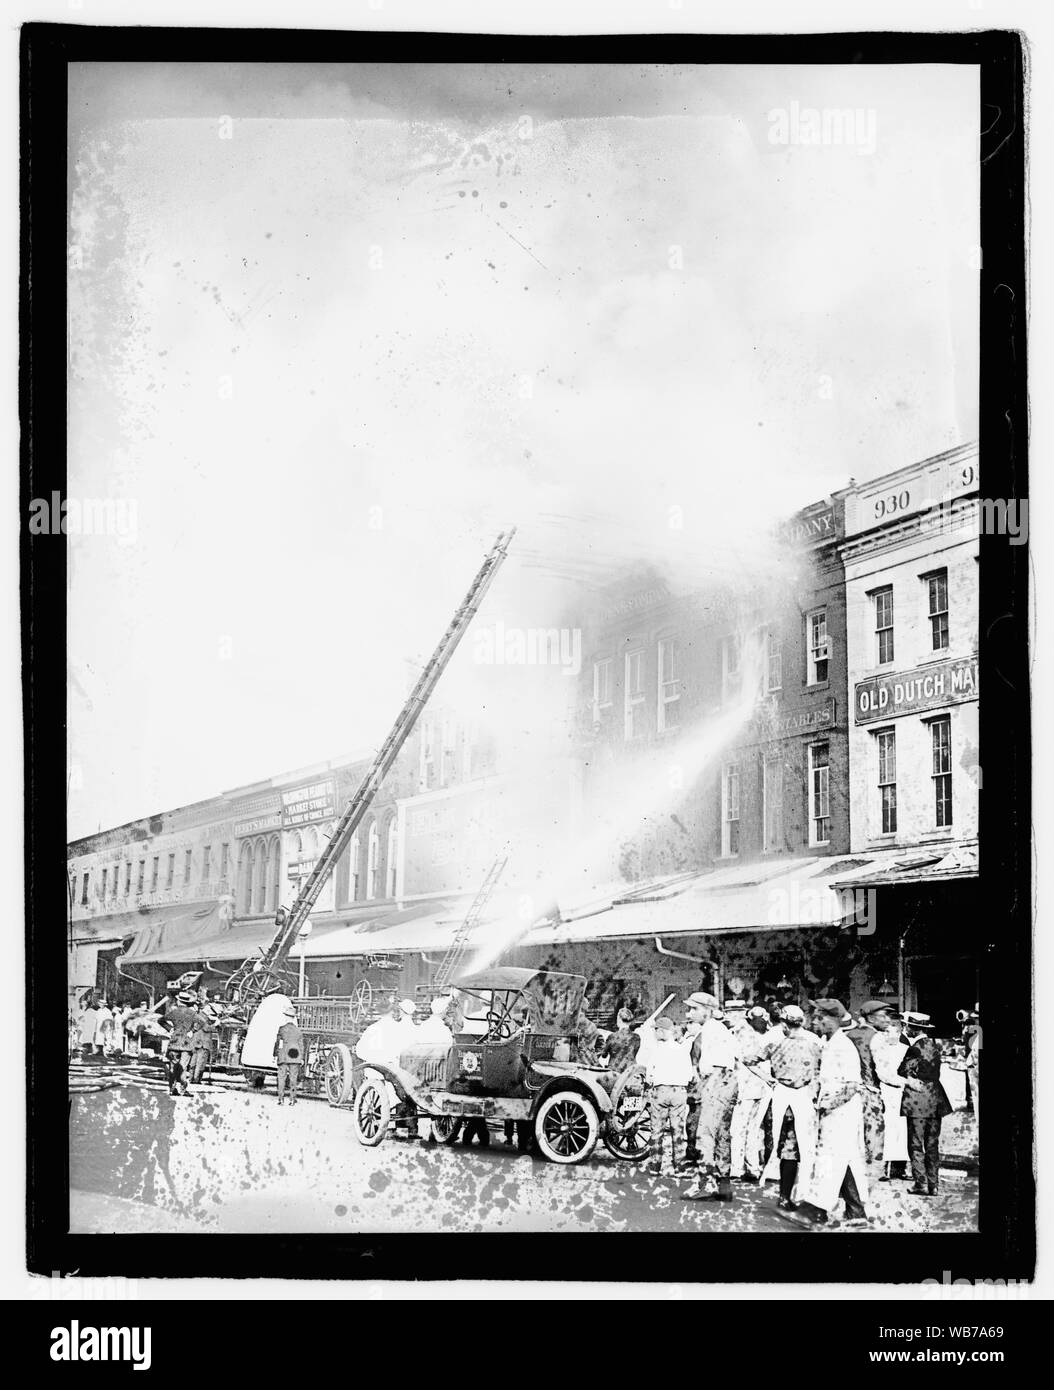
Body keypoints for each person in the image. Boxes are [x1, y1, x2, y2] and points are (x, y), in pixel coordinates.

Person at [788, 999, 869, 1228]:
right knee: (842, 1159)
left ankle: (815, 1211)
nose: (815, 1021)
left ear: (831, 1019)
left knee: (830, 1160)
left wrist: (827, 1105)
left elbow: (853, 1086)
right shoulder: (830, 1043)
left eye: (819, 1018)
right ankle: (856, 1212)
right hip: (832, 1110)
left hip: (842, 1111)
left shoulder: (844, 1046)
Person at [760, 1004, 822, 1211]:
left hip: (785, 1098)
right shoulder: (815, 1041)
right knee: (809, 1147)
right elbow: (824, 1069)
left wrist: (768, 1079)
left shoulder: (776, 1042)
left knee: (787, 1147)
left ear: (785, 1024)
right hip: (807, 1098)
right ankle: (805, 1196)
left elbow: (747, 1059)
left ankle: (786, 1195)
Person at [683, 992, 739, 1201]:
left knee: (705, 1134)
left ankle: (703, 1183)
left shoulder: (712, 1031)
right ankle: (723, 1186)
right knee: (722, 1135)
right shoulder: (719, 1029)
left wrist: (705, 1090)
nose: (689, 1013)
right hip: (727, 1082)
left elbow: (717, 1067)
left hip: (716, 1081)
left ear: (707, 1011)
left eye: (694, 1009)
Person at [898, 1012, 953, 1196]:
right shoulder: (935, 1045)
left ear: (914, 1029)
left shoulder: (914, 1049)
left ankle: (920, 1184)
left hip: (917, 1099)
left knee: (915, 1144)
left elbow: (901, 1070)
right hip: (936, 1098)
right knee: (932, 1144)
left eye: (907, 1027)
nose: (905, 1029)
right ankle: (934, 1184)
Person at [636, 1013, 694, 1175]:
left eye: (656, 1030)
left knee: (657, 1130)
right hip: (679, 1092)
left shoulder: (656, 1050)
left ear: (661, 1032)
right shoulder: (682, 1049)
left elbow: (649, 1074)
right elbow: (689, 1075)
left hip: (660, 1092)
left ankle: (655, 1167)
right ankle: (679, 1167)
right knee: (677, 1130)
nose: (654, 1033)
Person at [862, 1000, 909, 1181]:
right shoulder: (877, 1040)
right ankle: (884, 1169)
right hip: (884, 1091)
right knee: (887, 1131)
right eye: (888, 1028)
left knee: (900, 1130)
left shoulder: (904, 1049)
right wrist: (905, 1082)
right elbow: (883, 1073)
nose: (890, 1033)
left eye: (894, 1029)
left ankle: (899, 1168)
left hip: (898, 1094)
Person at [730, 1006, 775, 1185]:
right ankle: (751, 1168)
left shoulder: (743, 1032)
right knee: (753, 1130)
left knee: (741, 1130)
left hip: (750, 1087)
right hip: (757, 1087)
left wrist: (767, 1079)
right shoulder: (752, 1033)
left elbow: (748, 1061)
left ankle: (739, 1169)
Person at [843, 1005, 885, 1170]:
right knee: (872, 1130)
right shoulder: (876, 1037)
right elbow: (881, 1068)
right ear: (872, 1018)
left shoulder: (849, 1035)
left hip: (851, 1088)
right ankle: (871, 1166)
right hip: (870, 1088)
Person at [163, 990, 201, 1093]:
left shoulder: (174, 1012)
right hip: (186, 1043)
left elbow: (161, 1020)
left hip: (174, 1042)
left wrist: (169, 1028)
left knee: (173, 1067)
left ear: (179, 1001)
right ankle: (183, 1089)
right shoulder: (192, 1013)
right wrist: (192, 1031)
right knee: (183, 1068)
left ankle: (172, 1088)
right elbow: (202, 1022)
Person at [274, 1002, 306, 1106]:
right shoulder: (299, 1031)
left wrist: (275, 1055)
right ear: (293, 1018)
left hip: (283, 1055)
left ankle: (281, 1099)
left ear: (286, 1017)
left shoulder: (282, 1029)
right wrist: (301, 1058)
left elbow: (278, 1043)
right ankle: (292, 1100)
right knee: (293, 1078)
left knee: (281, 1077)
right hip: (295, 1055)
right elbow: (301, 1046)